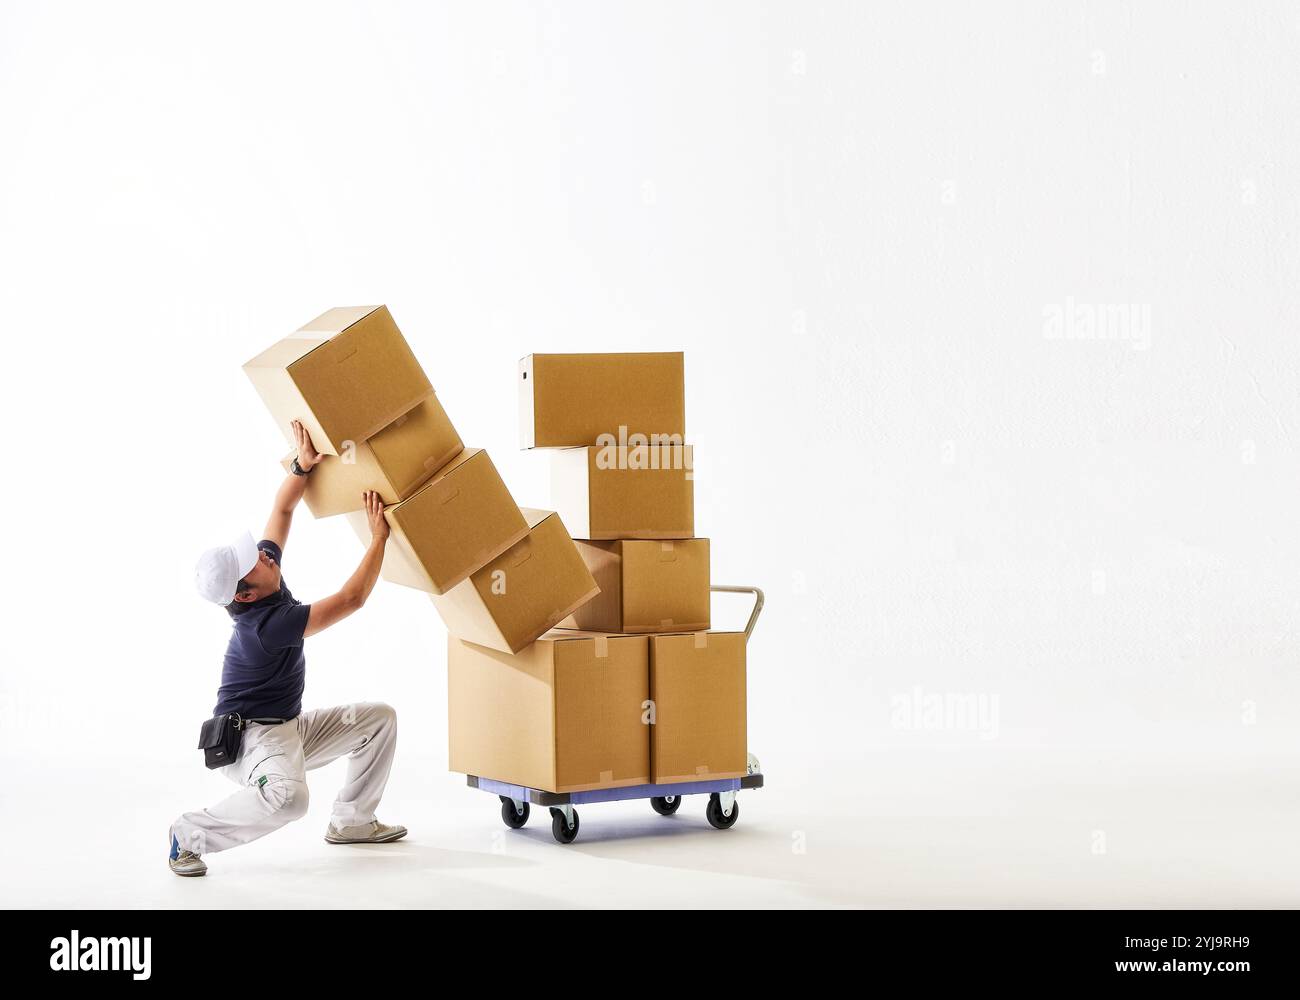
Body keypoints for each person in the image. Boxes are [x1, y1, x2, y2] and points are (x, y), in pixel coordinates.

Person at [169, 420, 406, 877]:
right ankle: (188, 834)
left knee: (379, 719)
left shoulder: (263, 578)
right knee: (290, 798)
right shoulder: (266, 625)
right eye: (253, 563)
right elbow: (351, 600)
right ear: (244, 594)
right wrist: (378, 540)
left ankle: (352, 821)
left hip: (287, 729)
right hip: (252, 742)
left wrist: (301, 465)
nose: (263, 555)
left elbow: (282, 512)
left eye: (256, 553)